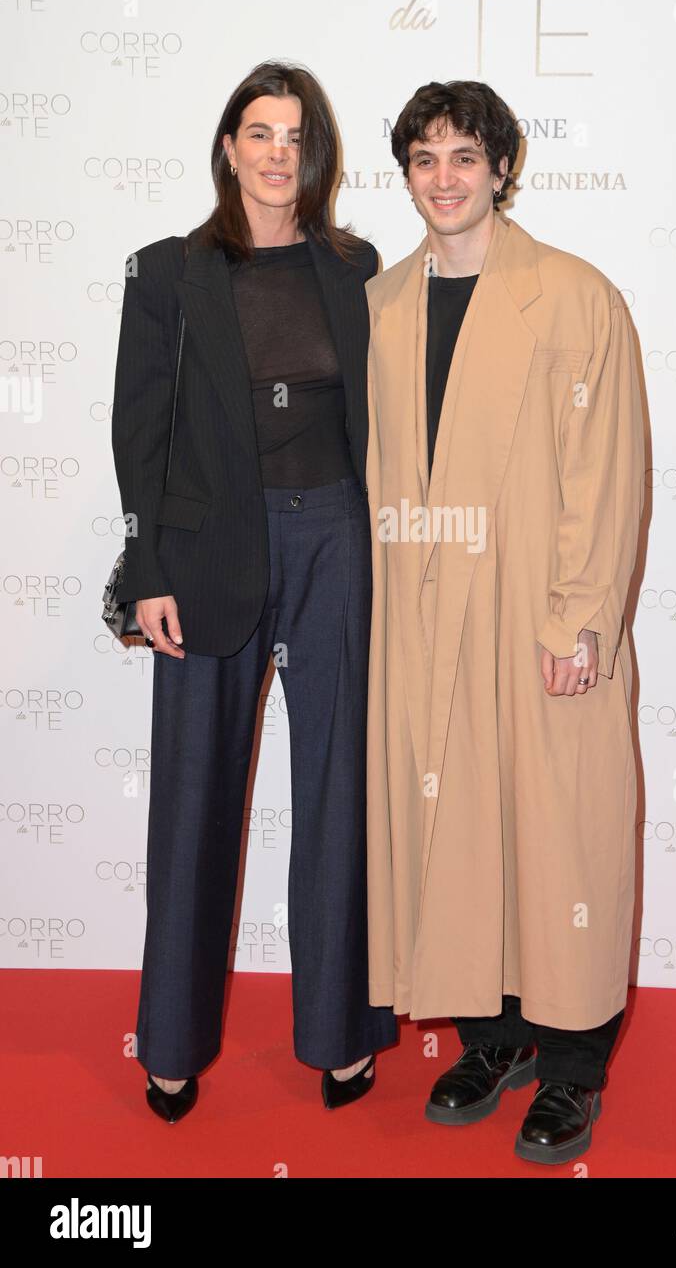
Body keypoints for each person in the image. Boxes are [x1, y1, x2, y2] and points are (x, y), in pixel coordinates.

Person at [363, 80, 646, 1164]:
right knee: (460, 829)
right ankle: (497, 1033)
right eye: (425, 158)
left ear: (500, 168)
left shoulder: (571, 296)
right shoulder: (385, 304)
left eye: (464, 157)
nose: (444, 177)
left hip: (536, 608)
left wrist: (580, 621)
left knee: (558, 834)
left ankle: (574, 1066)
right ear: (408, 174)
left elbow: (604, 471)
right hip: (426, 617)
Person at [111, 60, 396, 1124]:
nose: (277, 151)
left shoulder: (354, 267)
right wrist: (146, 573)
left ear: (313, 156)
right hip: (204, 557)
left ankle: (338, 1032)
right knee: (194, 804)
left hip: (333, 539)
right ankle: (172, 1044)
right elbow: (137, 435)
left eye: (295, 135)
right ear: (228, 147)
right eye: (258, 131)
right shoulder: (165, 274)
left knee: (338, 792)